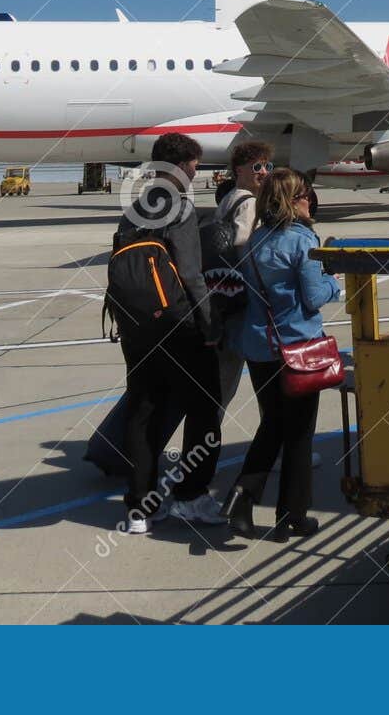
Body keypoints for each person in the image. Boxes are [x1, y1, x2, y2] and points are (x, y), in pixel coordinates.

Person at [112, 132, 225, 530]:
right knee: (204, 408)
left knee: (143, 411)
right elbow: (191, 274)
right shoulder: (180, 208)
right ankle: (191, 495)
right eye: (193, 167)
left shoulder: (134, 210)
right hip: (178, 325)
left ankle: (140, 507)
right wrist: (209, 324)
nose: (196, 174)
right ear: (178, 167)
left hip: (136, 327)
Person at [223, 168, 342, 540]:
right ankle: (292, 513)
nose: (311, 199)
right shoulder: (302, 241)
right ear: (292, 201)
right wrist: (333, 282)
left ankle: (244, 495)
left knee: (273, 423)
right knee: (300, 433)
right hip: (298, 347)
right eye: (305, 193)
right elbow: (313, 297)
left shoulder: (256, 240)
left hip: (260, 347)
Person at [208, 140, 273, 410]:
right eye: (256, 166)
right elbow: (244, 246)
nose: (264, 172)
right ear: (239, 170)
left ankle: (205, 435)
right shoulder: (249, 204)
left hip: (221, 293)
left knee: (221, 379)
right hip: (242, 301)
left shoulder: (227, 199)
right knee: (231, 379)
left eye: (268, 166)